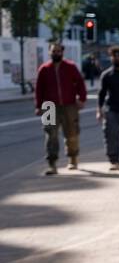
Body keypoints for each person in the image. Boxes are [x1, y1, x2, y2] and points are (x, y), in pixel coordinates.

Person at [34, 41, 88, 175]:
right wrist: (38, 106)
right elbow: (38, 89)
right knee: (50, 135)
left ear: (62, 52)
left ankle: (73, 158)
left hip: (69, 105)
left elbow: (80, 83)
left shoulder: (70, 67)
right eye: (53, 51)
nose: (56, 53)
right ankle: (52, 164)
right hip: (49, 106)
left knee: (71, 134)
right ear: (49, 52)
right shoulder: (44, 69)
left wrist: (81, 99)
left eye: (58, 51)